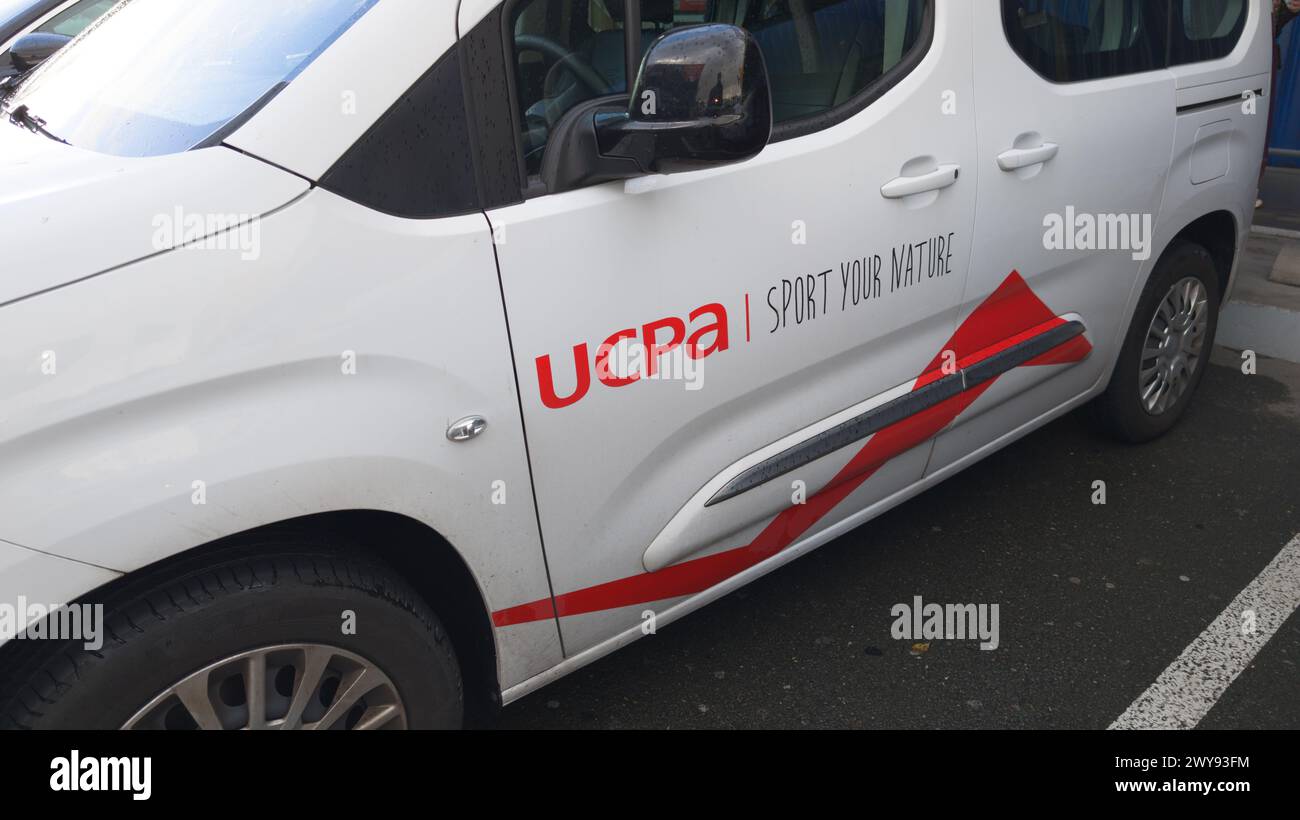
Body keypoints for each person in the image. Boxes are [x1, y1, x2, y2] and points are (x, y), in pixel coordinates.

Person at [1261, 0, 1300, 207]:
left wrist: (1287, 10)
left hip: (1262, 61)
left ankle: (1253, 186)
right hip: (1248, 66)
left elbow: (1275, 25)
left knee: (1258, 127)